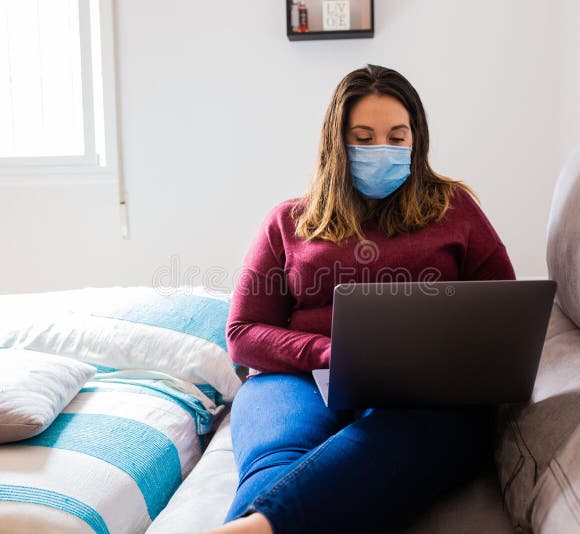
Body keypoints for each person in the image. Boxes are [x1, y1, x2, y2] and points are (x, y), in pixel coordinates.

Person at [206, 65, 516, 534]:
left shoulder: (456, 210)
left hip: (420, 392)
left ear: (416, 140)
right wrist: (331, 353)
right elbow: (242, 333)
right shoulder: (288, 221)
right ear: (337, 144)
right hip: (298, 380)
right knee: (280, 457)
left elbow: (504, 317)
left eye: (397, 137)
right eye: (364, 139)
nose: (382, 150)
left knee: (403, 438)